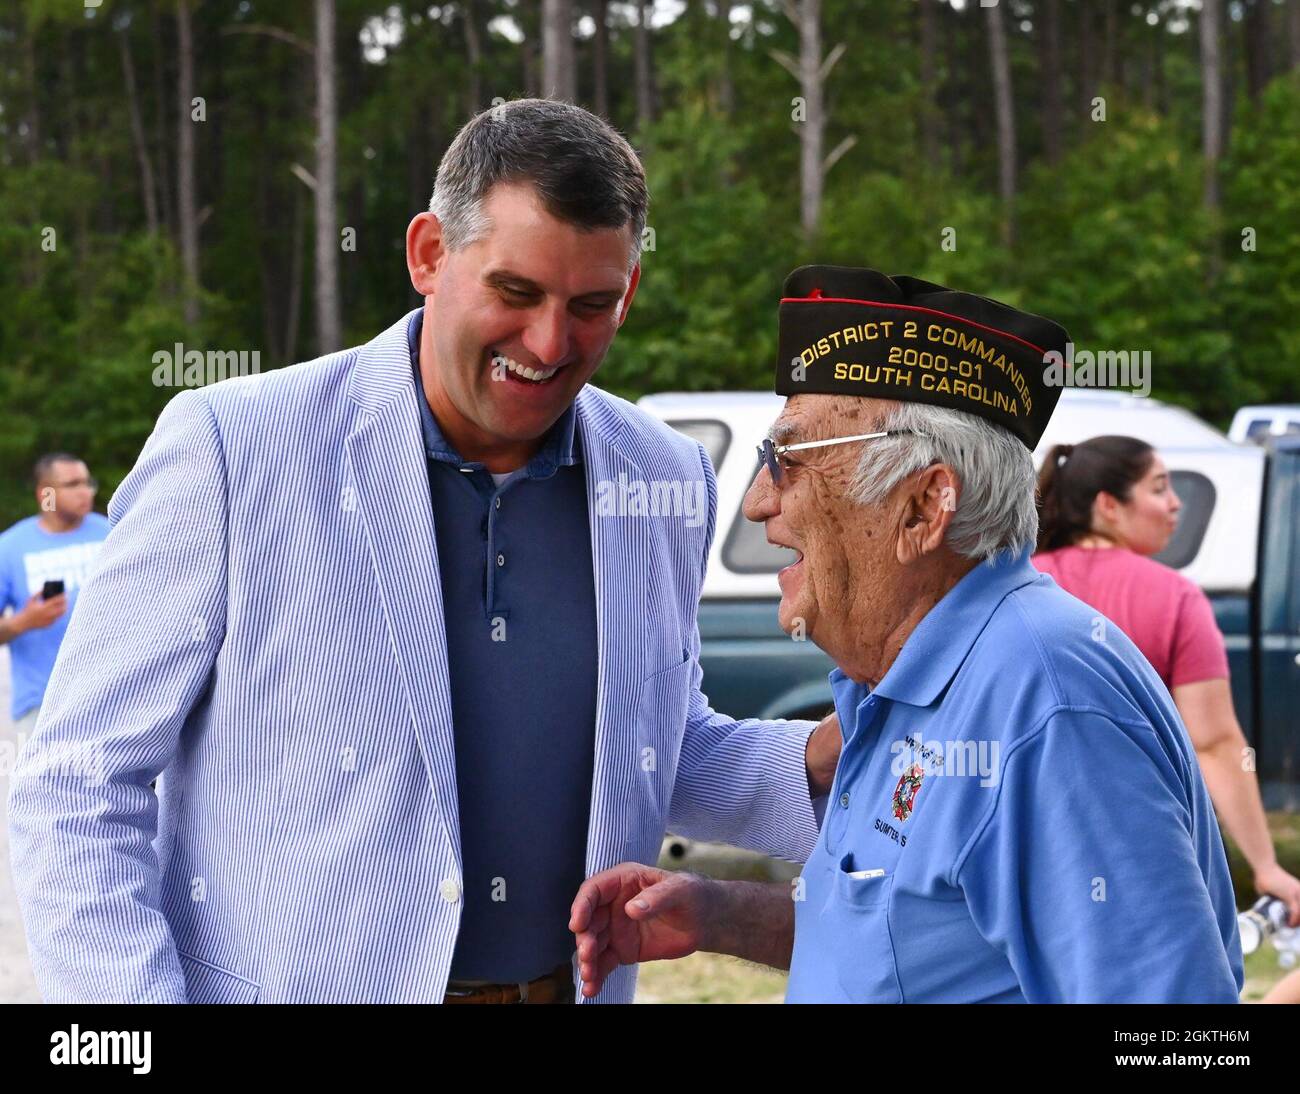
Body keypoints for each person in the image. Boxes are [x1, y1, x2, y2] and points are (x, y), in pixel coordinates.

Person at [7, 100, 839, 1005]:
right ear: (428, 255)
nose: (550, 344)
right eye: (516, 293)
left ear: (628, 292)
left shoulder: (663, 474)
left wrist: (834, 760)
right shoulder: (232, 447)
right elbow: (82, 783)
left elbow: (657, 747)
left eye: (591, 305)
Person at [570, 265, 1243, 1003]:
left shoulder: (1045, 705)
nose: (759, 501)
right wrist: (718, 912)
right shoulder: (906, 682)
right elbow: (918, 936)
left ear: (924, 507)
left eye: (788, 461)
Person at [1032, 436, 1300, 928]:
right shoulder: (1176, 597)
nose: (1175, 504)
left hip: (1024, 842)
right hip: (1137, 852)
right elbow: (1216, 742)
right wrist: (1265, 867)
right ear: (1109, 506)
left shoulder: (1013, 582)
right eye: (1160, 489)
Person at [0, 454, 109, 732]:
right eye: (72, 484)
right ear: (45, 494)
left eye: (87, 482)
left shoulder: (112, 532)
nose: (85, 491)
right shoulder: (10, 547)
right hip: (43, 704)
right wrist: (23, 621)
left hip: (113, 694)